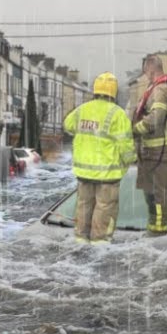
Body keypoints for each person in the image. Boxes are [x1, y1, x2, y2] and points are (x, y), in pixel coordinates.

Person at [63, 72, 135, 244]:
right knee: (104, 209)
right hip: (107, 175)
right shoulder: (117, 114)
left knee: (83, 207)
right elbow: (126, 146)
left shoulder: (82, 109)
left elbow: (68, 126)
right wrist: (130, 160)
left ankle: (80, 240)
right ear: (113, 92)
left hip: (83, 174)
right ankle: (99, 244)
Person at [132, 54, 167, 236]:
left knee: (159, 196)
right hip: (151, 153)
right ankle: (154, 228)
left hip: (159, 152)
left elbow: (156, 120)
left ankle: (158, 232)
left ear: (151, 68)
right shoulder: (157, 88)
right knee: (150, 193)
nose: (145, 75)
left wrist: (136, 129)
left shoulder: (161, 89)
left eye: (145, 71)